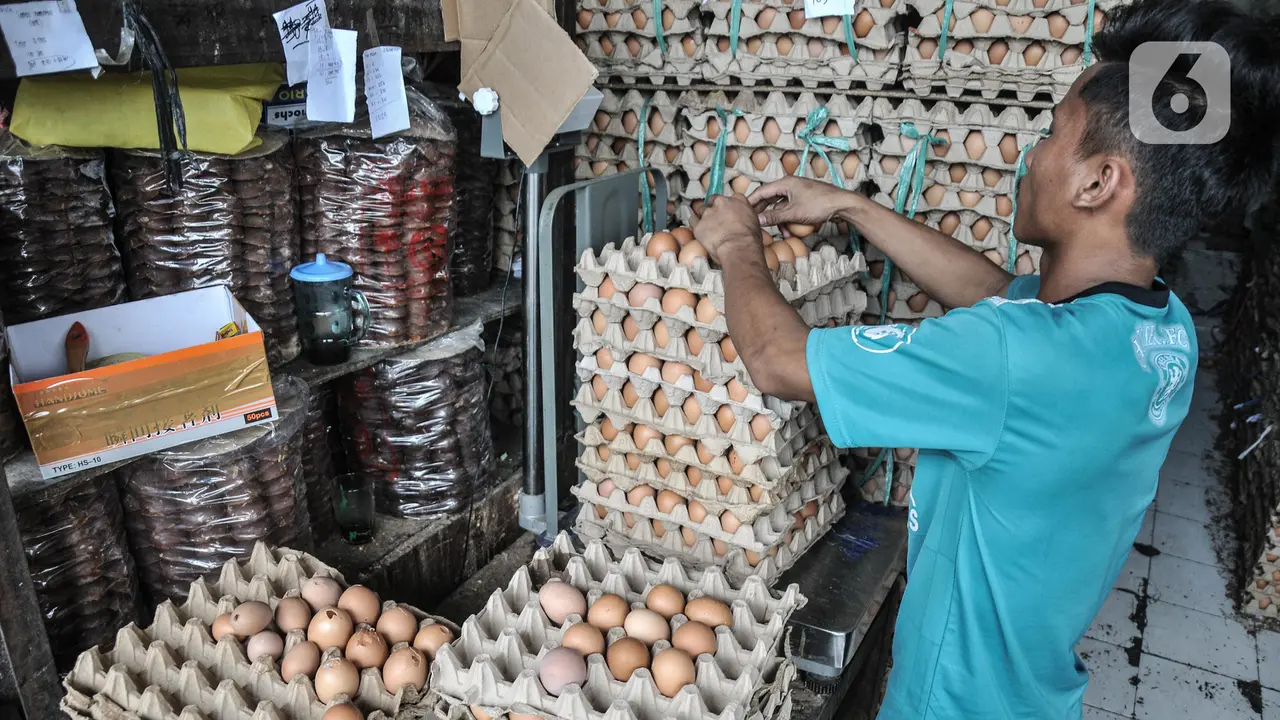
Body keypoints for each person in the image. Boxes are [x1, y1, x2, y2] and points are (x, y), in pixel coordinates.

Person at [691, 0, 1280, 717]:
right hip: (1032, 694)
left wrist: (737, 248)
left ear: (1099, 183)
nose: (1033, 155)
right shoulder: (1159, 330)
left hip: (949, 700)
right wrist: (851, 206)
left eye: (1051, 132)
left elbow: (777, 359)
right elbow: (1003, 297)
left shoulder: (1014, 360)